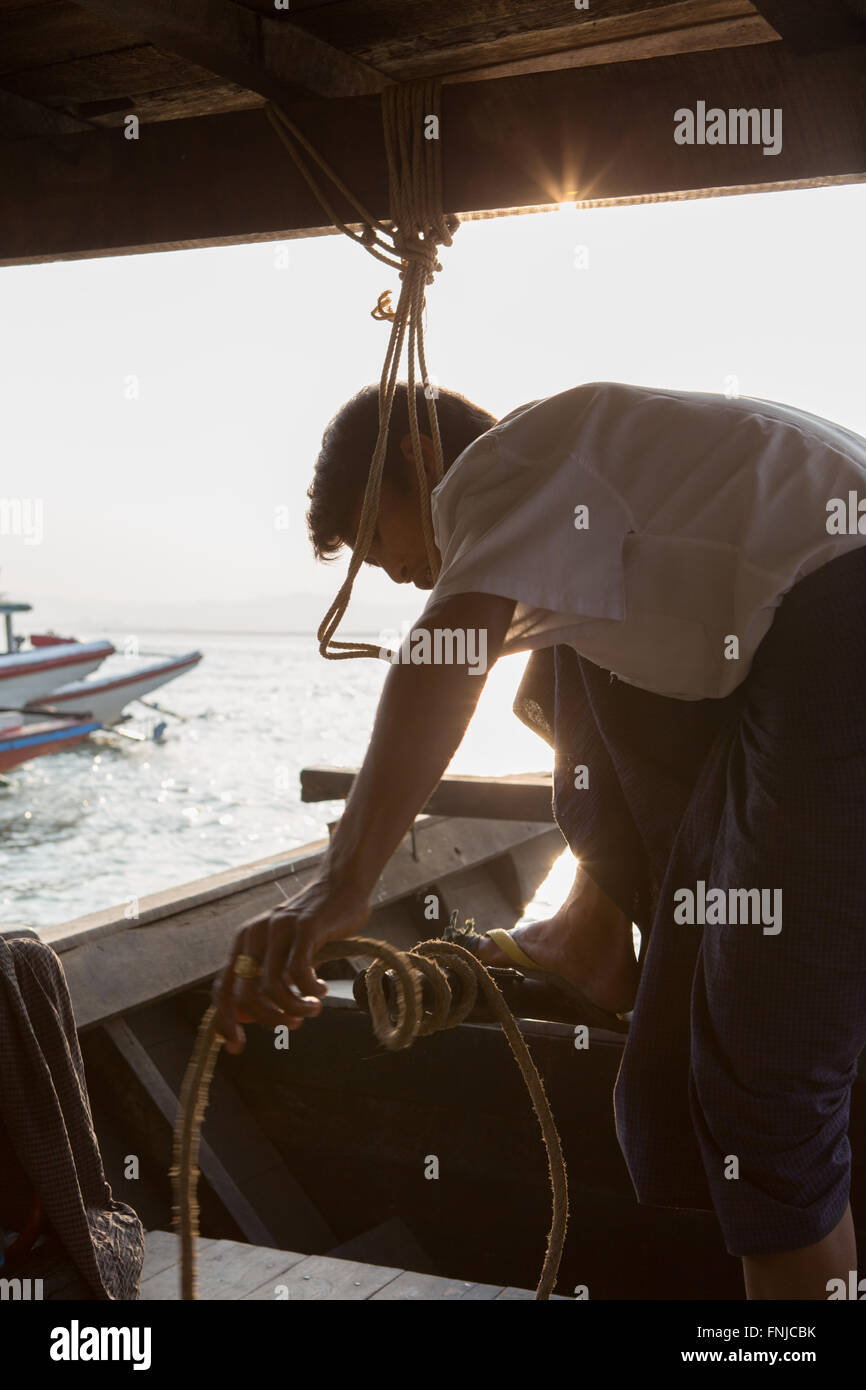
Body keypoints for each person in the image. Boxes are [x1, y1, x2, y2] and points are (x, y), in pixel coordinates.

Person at [214, 379, 866, 1300]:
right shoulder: (586, 479)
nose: (397, 572)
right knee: (554, 653)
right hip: (796, 637)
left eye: (378, 543)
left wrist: (342, 880)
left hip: (842, 624)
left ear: (415, 459)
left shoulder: (501, 467)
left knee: (767, 1104)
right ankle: (592, 930)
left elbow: (444, 652)